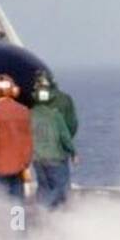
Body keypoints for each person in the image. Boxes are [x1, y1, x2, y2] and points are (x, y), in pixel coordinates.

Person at [29, 75, 77, 208]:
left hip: (37, 156)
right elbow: (69, 129)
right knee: (61, 188)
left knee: (43, 186)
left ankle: (43, 216)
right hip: (57, 154)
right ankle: (54, 213)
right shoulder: (58, 110)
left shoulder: (29, 112)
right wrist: (72, 151)